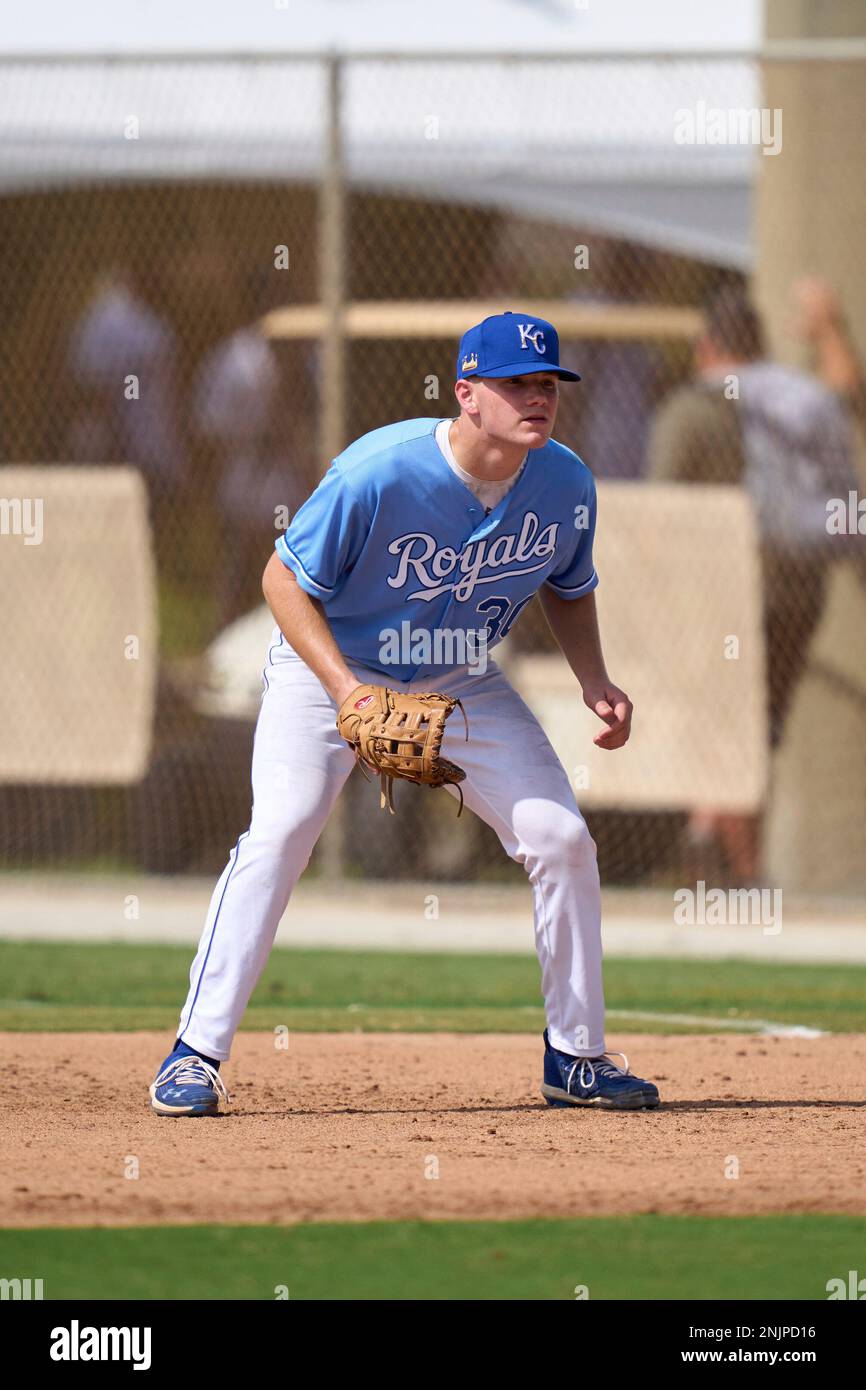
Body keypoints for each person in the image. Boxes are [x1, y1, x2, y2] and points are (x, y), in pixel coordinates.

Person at [149, 310, 660, 1116]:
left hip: (462, 678)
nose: (538, 396)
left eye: (548, 383)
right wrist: (349, 692)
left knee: (562, 839)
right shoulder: (379, 471)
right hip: (332, 674)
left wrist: (596, 680)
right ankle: (195, 1053)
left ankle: (577, 1058)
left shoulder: (565, 482)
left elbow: (569, 586)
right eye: (516, 383)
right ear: (467, 394)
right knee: (282, 832)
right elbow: (282, 583)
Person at [648, 286, 860, 881]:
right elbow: (848, 399)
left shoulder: (692, 409)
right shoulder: (798, 399)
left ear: (708, 346)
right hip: (800, 589)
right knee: (757, 734)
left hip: (721, 600)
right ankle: (740, 867)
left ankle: (713, 839)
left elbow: (659, 507)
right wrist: (829, 329)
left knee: (721, 729)